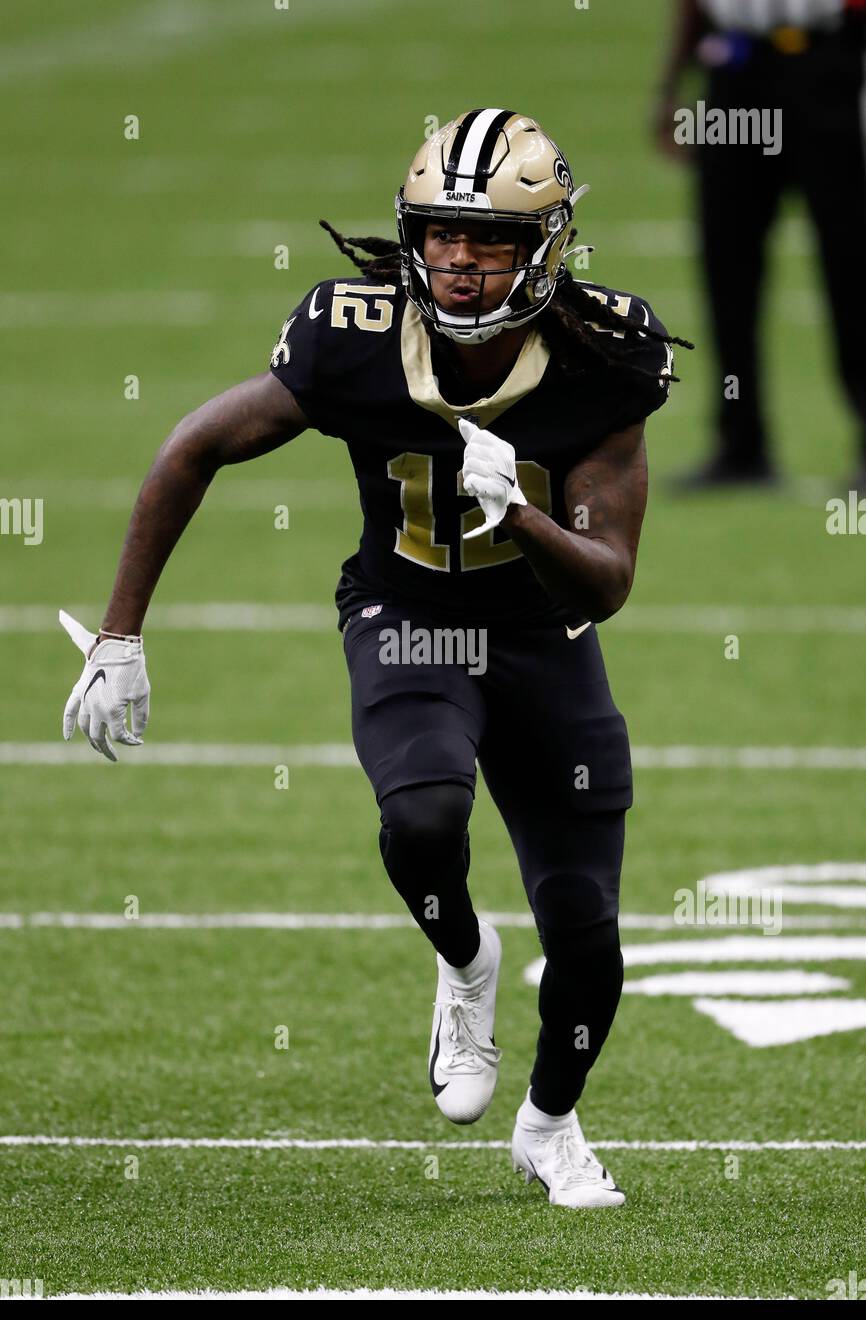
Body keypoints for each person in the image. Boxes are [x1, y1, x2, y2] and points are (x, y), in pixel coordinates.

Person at [60, 109, 689, 1209]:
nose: (456, 258)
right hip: (404, 615)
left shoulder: (603, 352)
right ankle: (464, 962)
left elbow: (609, 580)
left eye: (489, 238)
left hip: (543, 635)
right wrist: (120, 631)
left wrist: (524, 519)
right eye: (440, 233)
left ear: (545, 246)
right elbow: (194, 445)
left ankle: (547, 1126)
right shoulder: (353, 331)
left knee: (587, 932)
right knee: (423, 817)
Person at [654, 0, 866, 488]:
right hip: (735, 64)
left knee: (851, 261)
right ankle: (740, 443)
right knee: (726, 260)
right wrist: (671, 84)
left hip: (827, 60)